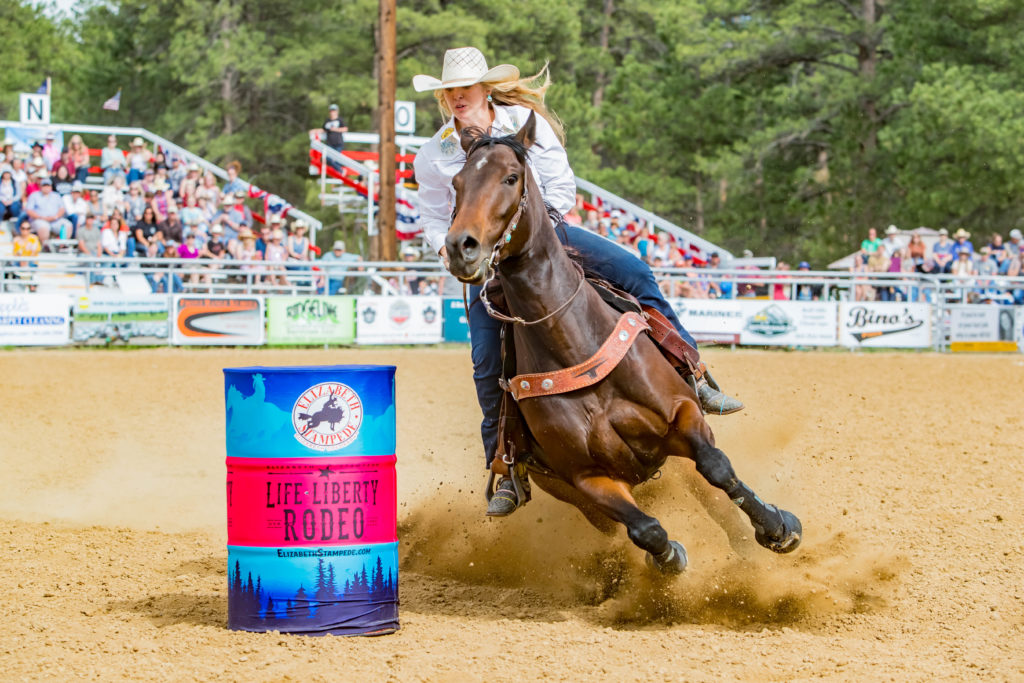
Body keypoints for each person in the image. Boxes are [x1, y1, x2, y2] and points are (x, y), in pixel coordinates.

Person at [411, 46, 743, 517]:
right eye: (450, 91)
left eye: (465, 88)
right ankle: (506, 465)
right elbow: (428, 214)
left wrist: (539, 226)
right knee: (487, 359)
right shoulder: (435, 153)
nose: (457, 97)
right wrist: (444, 246)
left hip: (546, 237)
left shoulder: (525, 121)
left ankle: (695, 373)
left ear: (485, 88)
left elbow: (560, 182)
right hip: (486, 257)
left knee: (634, 273)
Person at [25, 177, 71, 242]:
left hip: (55, 219)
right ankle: (46, 247)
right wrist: (41, 217)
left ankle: (62, 245)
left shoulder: (56, 195)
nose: (46, 187)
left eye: (48, 185)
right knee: (44, 227)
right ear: (41, 187)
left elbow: (62, 209)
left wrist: (56, 216)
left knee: (67, 225)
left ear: (51, 187)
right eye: (44, 185)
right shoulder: (34, 195)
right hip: (39, 219)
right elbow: (29, 210)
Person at [312, 104, 348, 172]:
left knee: (337, 159)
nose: (332, 112)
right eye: (331, 110)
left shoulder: (340, 120)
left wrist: (335, 129)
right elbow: (324, 129)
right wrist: (315, 131)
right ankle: (340, 171)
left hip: (338, 143)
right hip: (330, 144)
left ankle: (340, 172)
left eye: (334, 110)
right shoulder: (327, 121)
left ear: (337, 111)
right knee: (328, 159)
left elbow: (345, 129)